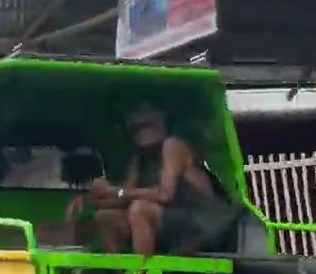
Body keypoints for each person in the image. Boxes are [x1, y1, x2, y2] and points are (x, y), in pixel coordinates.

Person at [66, 103, 241, 256]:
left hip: (205, 225)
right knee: (105, 218)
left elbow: (165, 195)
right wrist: (90, 199)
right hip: (170, 224)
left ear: (162, 119)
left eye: (145, 117)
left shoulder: (172, 146)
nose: (138, 123)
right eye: (135, 123)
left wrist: (115, 190)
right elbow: (122, 196)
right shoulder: (140, 159)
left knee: (140, 209)